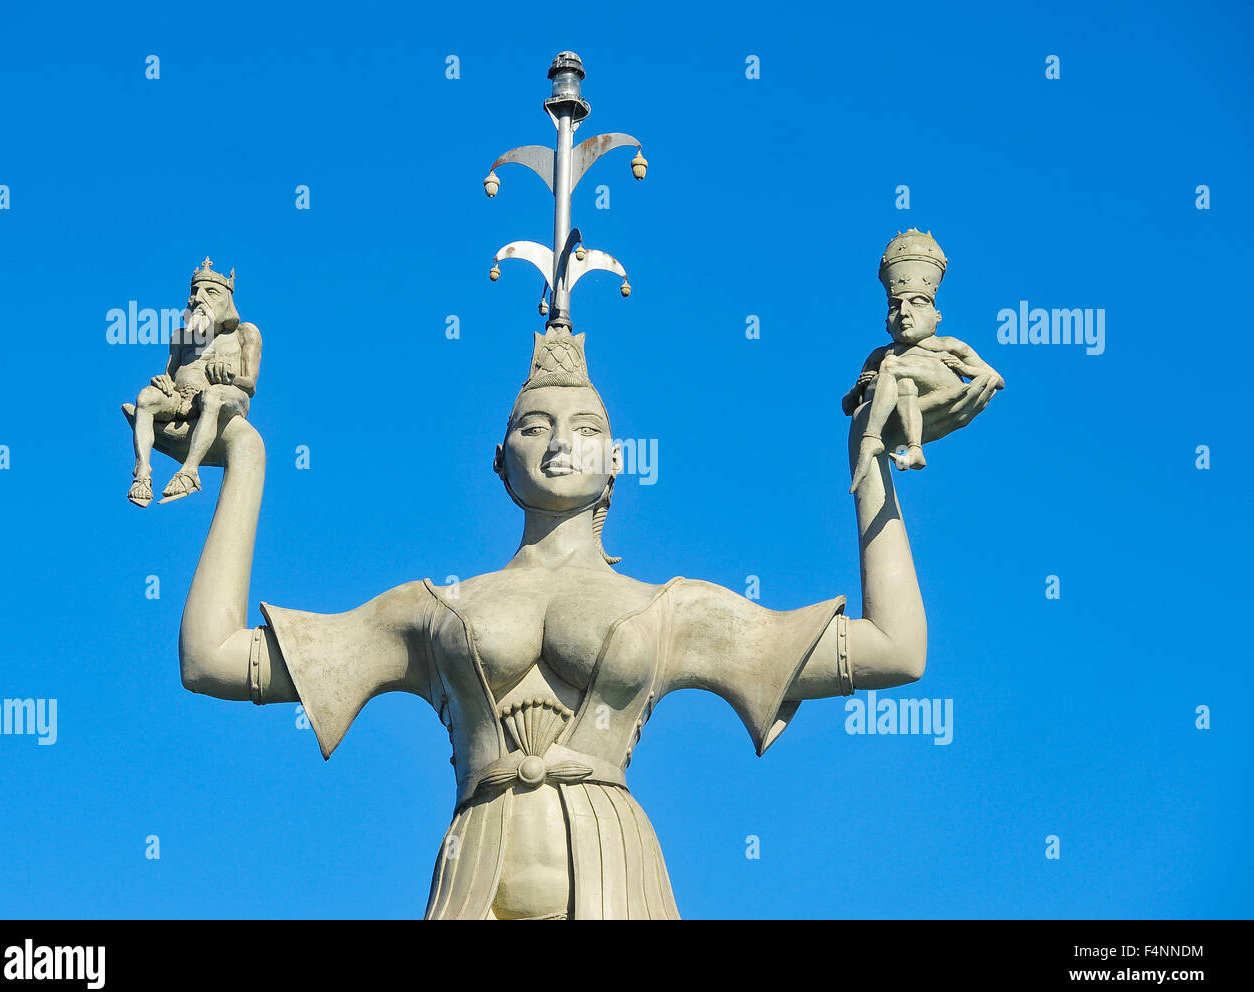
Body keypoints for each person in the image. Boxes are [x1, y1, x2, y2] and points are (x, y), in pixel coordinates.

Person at [171, 314, 999, 919]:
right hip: (474, 882)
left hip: (616, 878)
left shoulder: (668, 609)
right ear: (501, 462)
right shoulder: (434, 611)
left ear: (615, 464)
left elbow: (897, 650)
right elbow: (211, 658)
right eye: (535, 425)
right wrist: (244, 461)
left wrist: (873, 466)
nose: (560, 440)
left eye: (586, 427)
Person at [843, 230, 1004, 492]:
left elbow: (996, 379)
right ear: (886, 323)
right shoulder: (880, 355)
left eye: (917, 303)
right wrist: (858, 388)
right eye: (895, 307)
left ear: (937, 315)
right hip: (909, 400)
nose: (904, 313)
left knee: (893, 368)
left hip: (946, 388)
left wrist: (964, 368)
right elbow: (847, 405)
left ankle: (871, 439)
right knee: (903, 382)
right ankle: (914, 449)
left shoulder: (947, 345)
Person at [127, 258, 261, 506]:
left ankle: (189, 473)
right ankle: (142, 474)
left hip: (227, 395)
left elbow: (250, 384)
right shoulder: (181, 338)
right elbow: (169, 375)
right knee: (145, 398)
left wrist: (229, 376)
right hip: (182, 398)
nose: (198, 298)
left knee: (213, 396)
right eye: (194, 292)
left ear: (226, 299)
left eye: (210, 292)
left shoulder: (244, 333)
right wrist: (163, 382)